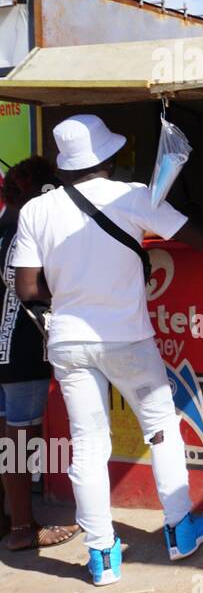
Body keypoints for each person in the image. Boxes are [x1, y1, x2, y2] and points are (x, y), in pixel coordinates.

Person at [11, 114, 203, 586]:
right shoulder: (134, 195)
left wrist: (73, 281)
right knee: (162, 427)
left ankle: (103, 557)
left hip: (68, 340)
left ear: (63, 167)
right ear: (108, 157)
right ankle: (181, 531)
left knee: (87, 444)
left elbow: (26, 288)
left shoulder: (35, 212)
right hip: (126, 336)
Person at [0, 156, 79, 552]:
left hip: (4, 353)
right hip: (20, 350)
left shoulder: (3, 225)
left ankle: (10, 519)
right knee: (18, 438)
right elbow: (29, 285)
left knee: (5, 434)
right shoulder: (26, 231)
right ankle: (23, 529)